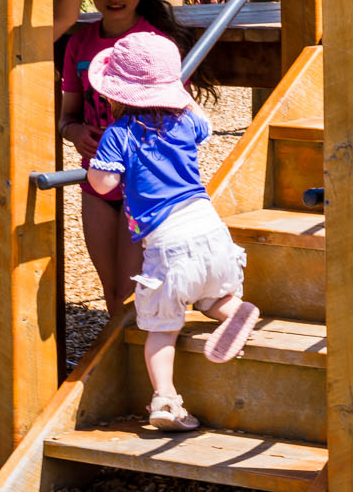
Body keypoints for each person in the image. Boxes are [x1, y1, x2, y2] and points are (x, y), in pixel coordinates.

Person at [84, 31, 258, 431]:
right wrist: (179, 93)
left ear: (116, 93)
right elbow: (206, 126)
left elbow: (105, 185)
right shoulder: (185, 122)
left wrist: (94, 166)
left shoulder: (120, 134)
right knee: (209, 294)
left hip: (168, 245)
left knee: (161, 329)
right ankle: (235, 310)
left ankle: (165, 399)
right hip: (212, 232)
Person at [55, 0, 211, 310]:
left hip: (143, 190)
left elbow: (181, 113)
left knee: (131, 294)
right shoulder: (79, 43)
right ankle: (119, 360)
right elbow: (65, 118)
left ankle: (142, 357)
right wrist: (76, 132)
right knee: (111, 293)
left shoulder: (158, 45)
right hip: (97, 186)